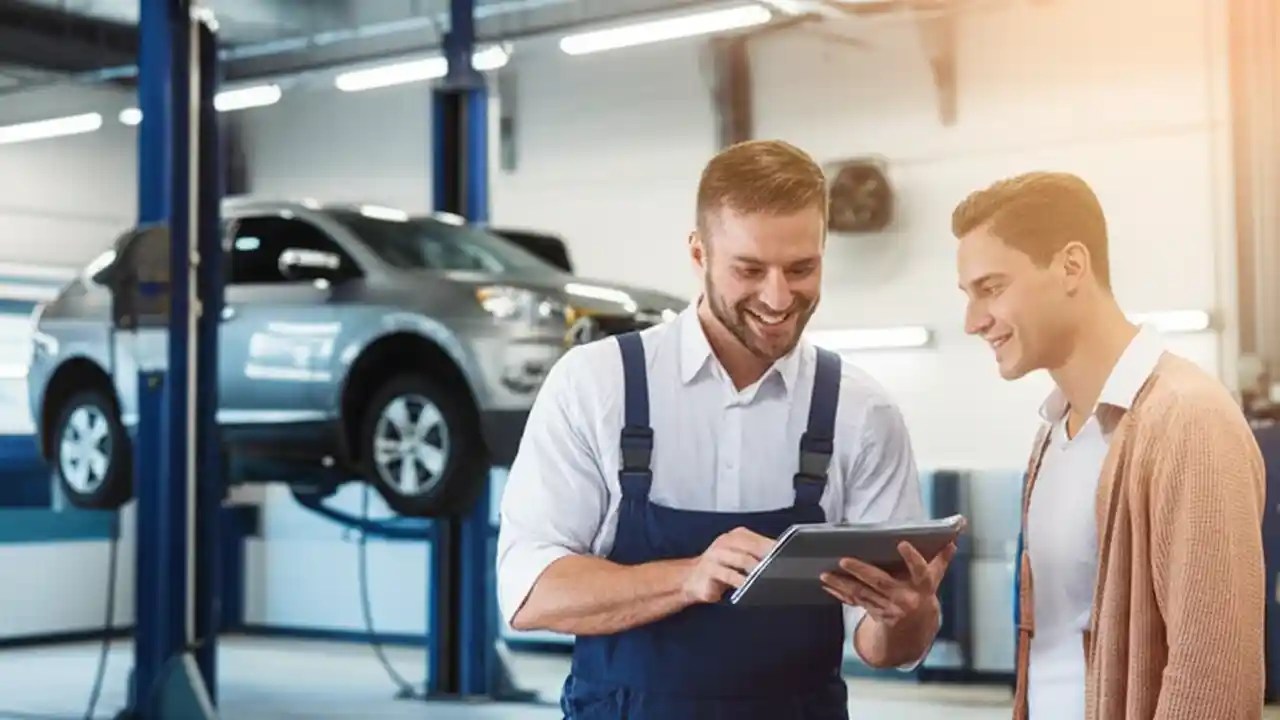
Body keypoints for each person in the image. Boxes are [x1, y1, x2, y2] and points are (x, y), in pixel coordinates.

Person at [495, 139, 958, 719]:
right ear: (699, 253)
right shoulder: (595, 386)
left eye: (800, 269)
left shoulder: (861, 413)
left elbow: (882, 645)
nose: (777, 296)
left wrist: (910, 615)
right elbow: (530, 593)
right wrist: (689, 577)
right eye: (749, 269)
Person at [951, 171, 1266, 720]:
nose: (973, 321)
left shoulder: (1187, 419)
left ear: (1072, 266)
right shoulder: (1053, 432)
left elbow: (1212, 673)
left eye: (992, 288)